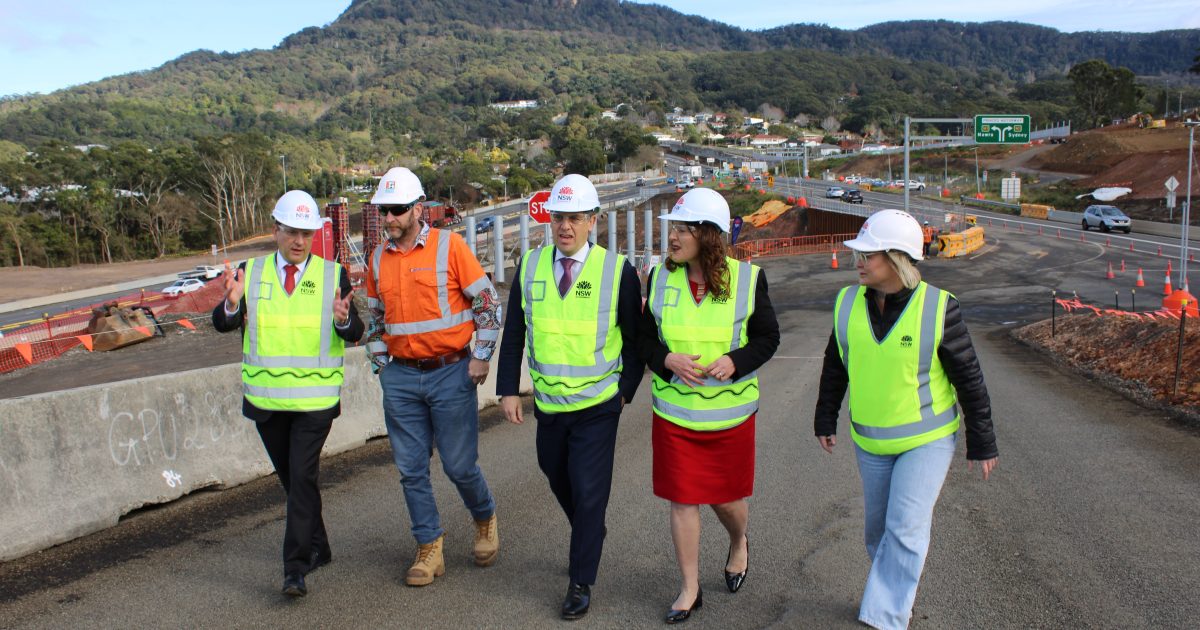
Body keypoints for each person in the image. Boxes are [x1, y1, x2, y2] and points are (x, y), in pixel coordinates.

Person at [813, 209, 998, 630]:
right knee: (877, 534)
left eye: (868, 255)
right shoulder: (846, 304)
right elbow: (835, 365)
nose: (859, 261)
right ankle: (891, 595)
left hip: (926, 440)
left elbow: (969, 377)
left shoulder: (937, 308)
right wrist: (826, 417)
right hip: (871, 441)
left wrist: (982, 441)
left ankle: (886, 617)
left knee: (905, 528)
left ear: (897, 259)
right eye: (858, 254)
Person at [496, 174, 644, 620]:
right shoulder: (531, 265)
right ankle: (589, 532)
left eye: (575, 218)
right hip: (550, 406)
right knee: (556, 474)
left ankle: (581, 580)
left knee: (589, 490)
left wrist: (624, 393)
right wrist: (508, 388)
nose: (565, 226)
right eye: (559, 217)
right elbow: (516, 331)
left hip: (599, 406)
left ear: (592, 221)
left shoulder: (618, 272)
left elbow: (636, 341)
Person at [212, 190, 364, 598]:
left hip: (314, 403)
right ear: (276, 230)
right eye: (292, 232)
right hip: (267, 402)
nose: (299, 241)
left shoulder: (333, 274)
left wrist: (345, 321)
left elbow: (356, 332)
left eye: (307, 233)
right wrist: (230, 305)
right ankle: (321, 545)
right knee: (294, 481)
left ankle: (294, 568)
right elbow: (223, 323)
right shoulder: (251, 271)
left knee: (301, 478)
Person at [639, 188, 780, 624]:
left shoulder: (748, 279)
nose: (673, 237)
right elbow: (644, 339)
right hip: (675, 415)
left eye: (682, 229)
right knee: (682, 499)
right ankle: (689, 589)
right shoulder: (659, 277)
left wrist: (734, 362)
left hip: (730, 416)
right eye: (673, 229)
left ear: (708, 235)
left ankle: (739, 542)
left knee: (726, 499)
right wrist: (666, 359)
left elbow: (767, 339)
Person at [364, 166, 501, 587]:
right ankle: (429, 547)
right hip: (401, 379)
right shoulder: (376, 259)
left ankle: (485, 519)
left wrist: (479, 357)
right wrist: (382, 367)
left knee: (459, 466)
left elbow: (488, 305)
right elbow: (374, 320)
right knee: (411, 469)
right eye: (383, 211)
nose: (388, 219)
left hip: (451, 374)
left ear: (418, 209)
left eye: (397, 210)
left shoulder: (450, 247)